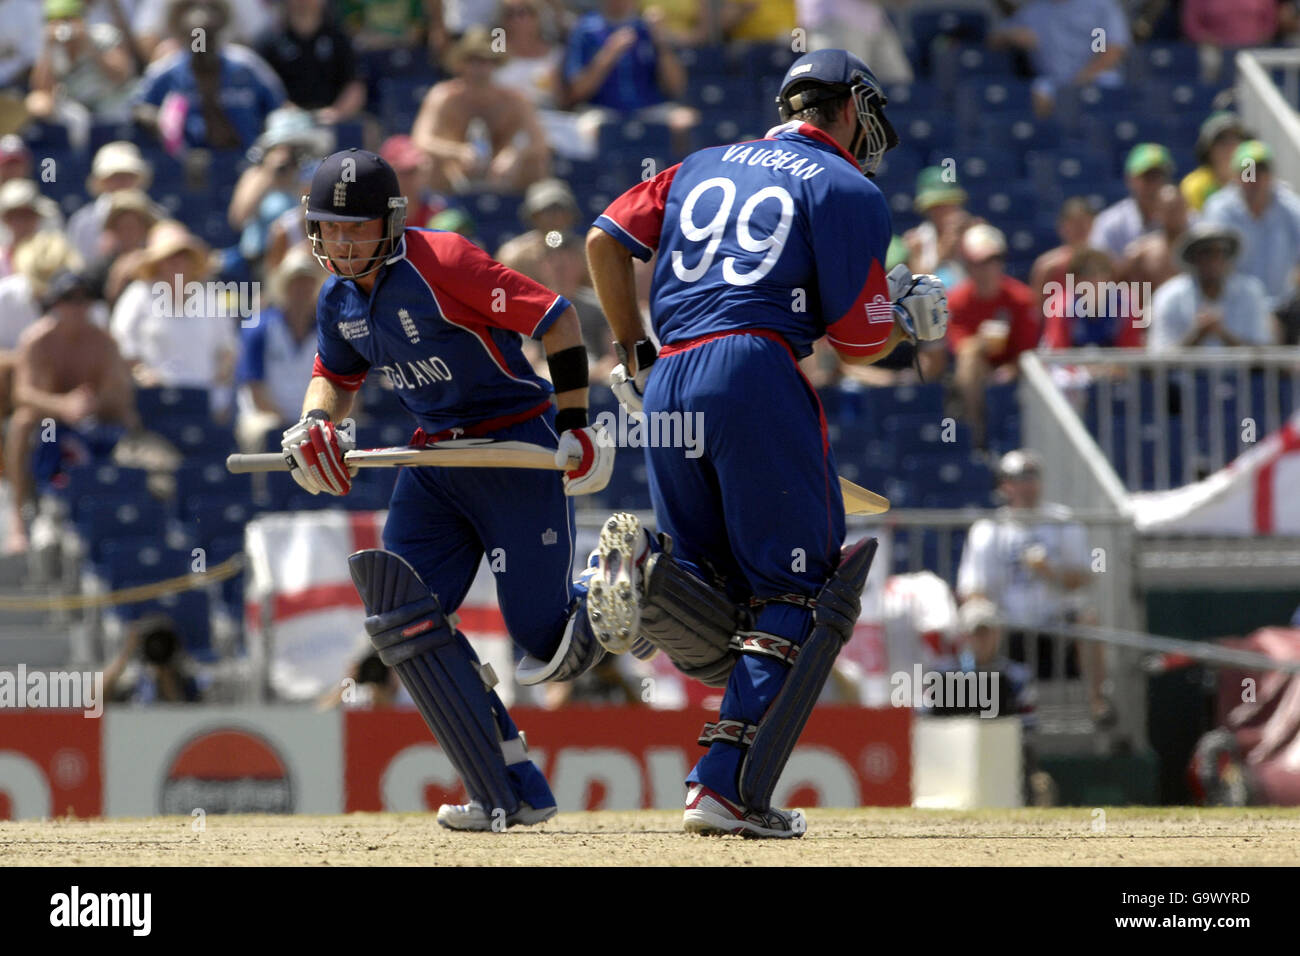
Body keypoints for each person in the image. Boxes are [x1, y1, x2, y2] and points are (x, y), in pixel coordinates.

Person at [582, 49, 948, 837]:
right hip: (753, 368)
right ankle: (724, 787)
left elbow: (603, 240)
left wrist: (633, 351)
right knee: (801, 591)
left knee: (721, 591)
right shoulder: (849, 186)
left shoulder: (699, 163)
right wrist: (903, 318)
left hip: (670, 376)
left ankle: (650, 577)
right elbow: (858, 343)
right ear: (848, 107)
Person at [282, 147, 619, 831]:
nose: (343, 243)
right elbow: (336, 377)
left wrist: (575, 422)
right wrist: (315, 421)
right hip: (433, 455)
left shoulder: (443, 262)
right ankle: (508, 785)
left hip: (511, 446)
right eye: (331, 228)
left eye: (358, 227)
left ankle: (627, 586)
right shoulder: (337, 298)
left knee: (545, 645)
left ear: (392, 222)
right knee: (400, 615)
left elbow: (556, 318)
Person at [955, 449, 1110, 724]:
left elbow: (1086, 576)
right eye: (1019, 478)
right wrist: (988, 611)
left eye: (1032, 477)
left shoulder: (1062, 520)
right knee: (976, 617)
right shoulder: (988, 529)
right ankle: (973, 706)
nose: (1027, 485)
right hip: (1006, 625)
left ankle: (1098, 704)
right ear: (1005, 485)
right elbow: (971, 589)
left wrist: (1048, 570)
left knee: (1088, 618)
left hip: (1055, 622)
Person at [5, 270, 137, 553]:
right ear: (55, 303)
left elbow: (119, 391)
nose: (76, 307)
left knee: (130, 418)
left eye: (83, 299)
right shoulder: (37, 340)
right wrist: (62, 405)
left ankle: (125, 509)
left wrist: (92, 403)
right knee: (20, 423)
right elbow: (22, 393)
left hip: (94, 419)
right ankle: (19, 518)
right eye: (68, 299)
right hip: (49, 422)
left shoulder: (104, 342)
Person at [108, 219, 237, 405]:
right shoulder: (139, 294)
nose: (176, 263)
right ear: (157, 263)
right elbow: (119, 342)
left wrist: (217, 389)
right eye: (168, 257)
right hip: (155, 400)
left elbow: (227, 350)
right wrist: (141, 374)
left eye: (182, 256)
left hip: (202, 400)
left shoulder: (208, 297)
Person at [132, 0, 285, 153]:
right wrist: (158, 120)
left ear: (218, 34)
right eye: (195, 39)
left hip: (246, 158)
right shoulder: (167, 71)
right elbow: (138, 108)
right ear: (185, 37)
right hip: (190, 165)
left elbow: (278, 108)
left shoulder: (246, 66)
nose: (202, 45)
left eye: (208, 37)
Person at [411, 27, 550, 194]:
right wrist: (458, 152)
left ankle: (522, 216)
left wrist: (513, 155)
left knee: (536, 164)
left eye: (486, 60)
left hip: (503, 177)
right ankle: (437, 213)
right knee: (428, 162)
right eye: (473, 60)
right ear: (460, 63)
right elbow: (420, 140)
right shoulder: (443, 97)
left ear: (495, 64)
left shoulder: (515, 100)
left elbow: (540, 142)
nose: (479, 68)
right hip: (455, 176)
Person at [559, 0, 697, 155]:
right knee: (584, 131)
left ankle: (682, 178)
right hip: (603, 110)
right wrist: (609, 53)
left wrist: (660, 42)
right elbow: (577, 91)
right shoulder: (585, 29)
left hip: (649, 107)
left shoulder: (647, 28)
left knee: (685, 121)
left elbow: (677, 87)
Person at [946, 224, 1039, 445]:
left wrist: (1012, 368)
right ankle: (977, 437)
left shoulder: (1022, 299)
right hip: (977, 370)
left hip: (1016, 369)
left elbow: (1028, 352)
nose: (988, 268)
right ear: (968, 266)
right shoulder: (956, 300)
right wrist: (984, 340)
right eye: (980, 262)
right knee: (969, 360)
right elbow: (961, 348)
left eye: (994, 260)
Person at [234, 244, 322, 449]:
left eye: (307, 282)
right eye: (295, 282)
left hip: (316, 418)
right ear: (283, 286)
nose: (302, 289)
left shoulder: (328, 330)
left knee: (352, 430)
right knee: (259, 432)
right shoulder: (258, 327)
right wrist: (290, 425)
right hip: (266, 416)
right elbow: (255, 388)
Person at [1147, 222, 1276, 352]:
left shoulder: (1250, 292)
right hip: (1185, 373)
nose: (1214, 259)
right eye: (1206, 252)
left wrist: (1223, 334)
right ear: (1193, 257)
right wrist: (1197, 335)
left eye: (1221, 252)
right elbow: (1160, 359)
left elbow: (1262, 353)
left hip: (1237, 372)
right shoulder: (1169, 295)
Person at [1202, 139, 1300, 309]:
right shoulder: (1218, 209)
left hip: (1286, 306)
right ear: (1235, 176)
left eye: (1259, 170)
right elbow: (1212, 262)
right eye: (1247, 171)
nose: (1253, 178)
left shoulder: (1291, 206)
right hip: (1235, 308)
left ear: (1270, 174)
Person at [25, 0, 135, 148]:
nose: (64, 26)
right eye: (55, 21)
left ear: (82, 18)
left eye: (69, 19)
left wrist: (88, 44)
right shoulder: (51, 47)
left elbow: (121, 76)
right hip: (76, 112)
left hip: (111, 103)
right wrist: (48, 47)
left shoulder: (103, 35)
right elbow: (41, 89)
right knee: (36, 102)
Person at [990, 0, 1130, 116]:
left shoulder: (1100, 5)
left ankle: (1103, 141)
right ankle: (1053, 142)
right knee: (1039, 91)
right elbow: (993, 40)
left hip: (1094, 77)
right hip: (1054, 80)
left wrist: (1076, 84)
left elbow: (1114, 50)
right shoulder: (1035, 10)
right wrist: (1011, 36)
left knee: (1110, 83)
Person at [255, 0, 366, 126]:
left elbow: (354, 86)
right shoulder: (268, 42)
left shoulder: (340, 38)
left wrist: (336, 113)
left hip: (334, 124)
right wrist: (291, 113)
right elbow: (262, 91)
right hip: (285, 127)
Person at [65, 140, 153, 264]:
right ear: (102, 182)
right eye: (114, 176)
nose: (122, 182)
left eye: (128, 176)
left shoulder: (157, 215)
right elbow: (79, 267)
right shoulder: (82, 222)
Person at [1041, 246, 1143, 348]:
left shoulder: (1126, 304)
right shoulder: (1062, 306)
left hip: (1114, 363)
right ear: (1075, 280)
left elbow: (1131, 350)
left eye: (1101, 273)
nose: (1094, 280)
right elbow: (1057, 351)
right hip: (1073, 362)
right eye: (1086, 274)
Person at [1089, 143, 1174, 261]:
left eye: (1159, 176)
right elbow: (1096, 270)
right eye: (1148, 177)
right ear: (1130, 179)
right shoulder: (1110, 222)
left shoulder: (1182, 217)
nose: (1154, 184)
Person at [903, 165, 973, 291]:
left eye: (949, 204)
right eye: (937, 206)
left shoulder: (974, 233)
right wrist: (944, 248)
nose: (944, 211)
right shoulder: (916, 240)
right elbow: (919, 288)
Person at [1119, 183, 1188, 305]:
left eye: (1177, 208)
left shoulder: (1202, 250)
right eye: (1169, 209)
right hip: (1154, 317)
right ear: (1157, 212)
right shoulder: (1141, 252)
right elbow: (1121, 287)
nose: (1174, 215)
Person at [1029, 196, 1093, 313]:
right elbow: (1037, 310)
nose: (1080, 228)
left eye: (1084, 222)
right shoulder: (1047, 267)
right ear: (1062, 226)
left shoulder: (1104, 262)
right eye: (1074, 223)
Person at [1181, 112, 1248, 213]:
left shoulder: (1251, 180)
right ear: (1207, 149)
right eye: (1222, 141)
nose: (1231, 147)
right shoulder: (1194, 186)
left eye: (1236, 139)